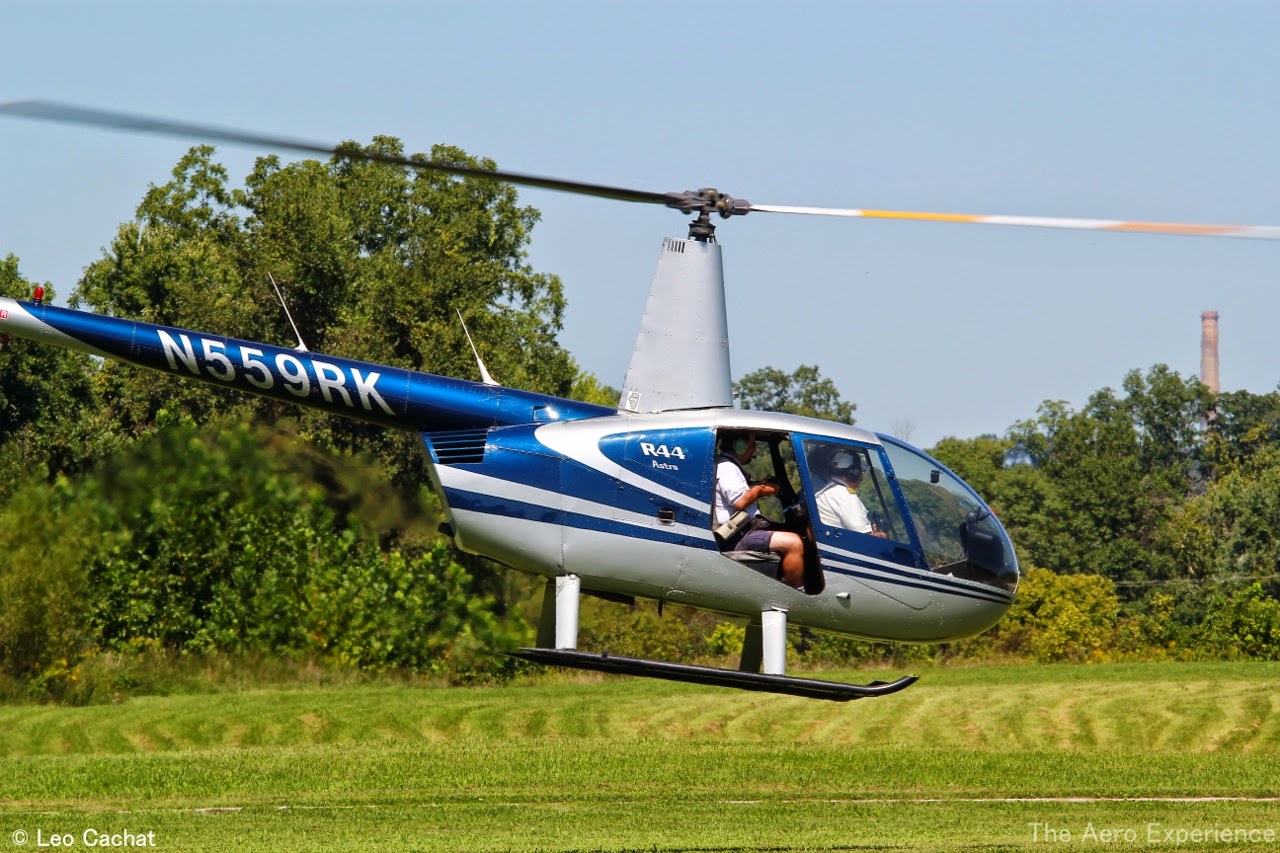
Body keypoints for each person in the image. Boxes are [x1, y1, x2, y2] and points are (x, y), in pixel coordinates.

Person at [714, 430, 807, 589]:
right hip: (739, 536)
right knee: (794, 543)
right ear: (740, 446)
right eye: (752, 445)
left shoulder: (728, 466)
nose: (755, 450)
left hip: (746, 530)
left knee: (798, 534)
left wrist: (758, 485)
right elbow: (739, 500)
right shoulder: (727, 468)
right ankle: (798, 595)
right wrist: (761, 489)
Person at [814, 446, 888, 538]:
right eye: (862, 472)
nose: (862, 478)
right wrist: (880, 536)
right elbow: (865, 538)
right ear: (853, 473)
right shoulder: (845, 496)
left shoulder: (824, 489)